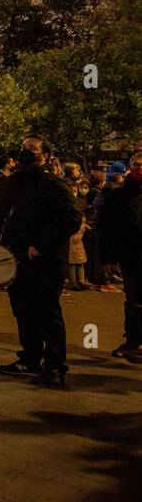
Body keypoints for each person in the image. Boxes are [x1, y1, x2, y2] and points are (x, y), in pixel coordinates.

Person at [0, 135, 81, 387]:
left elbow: (72, 217)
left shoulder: (52, 184)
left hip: (46, 261)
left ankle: (54, 366)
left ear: (45, 156)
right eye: (23, 148)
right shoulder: (13, 182)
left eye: (32, 149)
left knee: (47, 313)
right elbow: (2, 213)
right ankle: (30, 357)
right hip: (17, 259)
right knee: (23, 311)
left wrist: (41, 245)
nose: (25, 152)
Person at [99, 150, 142, 363]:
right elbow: (105, 227)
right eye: (136, 165)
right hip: (131, 257)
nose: (139, 169)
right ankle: (134, 340)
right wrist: (106, 258)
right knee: (133, 300)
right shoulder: (118, 196)